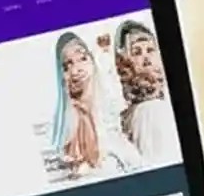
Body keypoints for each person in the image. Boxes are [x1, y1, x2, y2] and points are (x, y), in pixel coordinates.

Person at [50, 32, 140, 178]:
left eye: (82, 59)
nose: (76, 70)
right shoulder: (72, 123)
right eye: (67, 65)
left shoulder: (109, 108)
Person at [115, 21, 180, 164]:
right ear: (125, 62)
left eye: (150, 50)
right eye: (137, 52)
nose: (146, 59)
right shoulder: (149, 109)